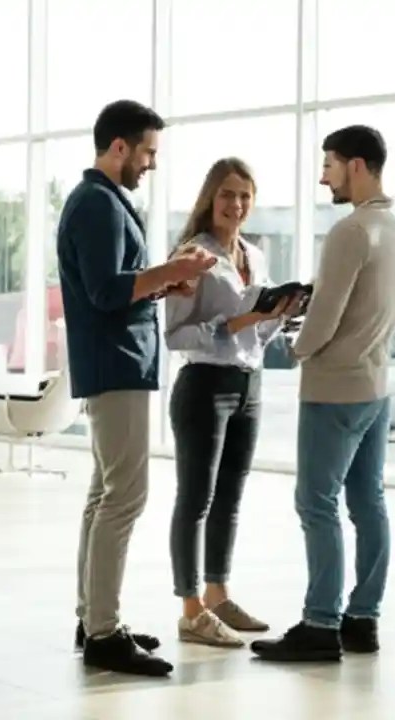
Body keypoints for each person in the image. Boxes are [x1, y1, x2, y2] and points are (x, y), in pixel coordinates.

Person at [58, 99, 217, 677]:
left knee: (104, 497)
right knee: (124, 498)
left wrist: (158, 286)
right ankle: (103, 632)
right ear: (119, 147)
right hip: (116, 366)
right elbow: (104, 291)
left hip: (116, 364)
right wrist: (173, 273)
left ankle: (94, 619)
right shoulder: (98, 204)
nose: (151, 163)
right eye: (148, 151)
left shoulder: (102, 202)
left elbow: (116, 287)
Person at [252, 125, 395, 662]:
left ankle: (320, 623)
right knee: (368, 502)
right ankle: (362, 619)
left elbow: (326, 317)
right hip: (375, 385)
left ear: (358, 165)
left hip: (334, 387)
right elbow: (370, 308)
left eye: (330, 164)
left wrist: (294, 348)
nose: (324, 176)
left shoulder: (351, 232)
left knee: (316, 502)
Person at [164, 158, 301, 648]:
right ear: (209, 198)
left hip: (249, 386)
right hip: (203, 385)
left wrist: (277, 315)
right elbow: (175, 334)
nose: (236, 205)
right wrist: (240, 322)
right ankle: (190, 609)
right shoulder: (193, 256)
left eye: (245, 195)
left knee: (231, 500)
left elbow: (255, 335)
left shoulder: (254, 256)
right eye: (227, 194)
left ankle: (219, 595)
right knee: (195, 499)